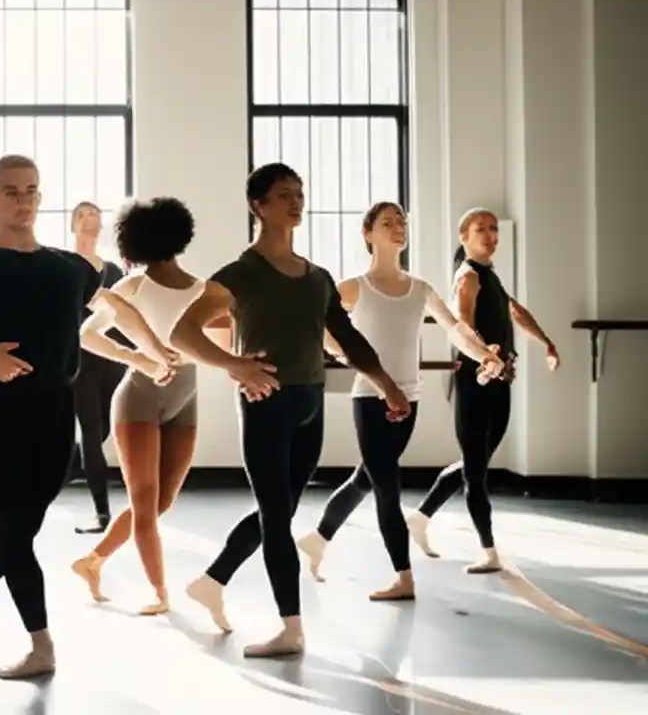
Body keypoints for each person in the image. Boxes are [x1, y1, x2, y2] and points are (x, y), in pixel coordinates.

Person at [0, 155, 178, 679]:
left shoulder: (69, 268)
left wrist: (152, 352)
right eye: (11, 191)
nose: (23, 200)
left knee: (21, 526)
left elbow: (120, 311)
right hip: (5, 411)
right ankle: (40, 645)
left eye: (31, 190)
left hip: (58, 408)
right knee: (18, 530)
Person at [177, 163, 412, 658]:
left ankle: (212, 582)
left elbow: (348, 339)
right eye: (284, 194)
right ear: (257, 205)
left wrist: (387, 385)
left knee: (278, 511)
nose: (296, 202)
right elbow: (183, 331)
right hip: (266, 405)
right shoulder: (241, 273)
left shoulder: (318, 278)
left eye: (299, 194)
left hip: (310, 403)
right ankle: (291, 627)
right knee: (277, 518)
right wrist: (235, 365)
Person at [70, 197, 278, 615]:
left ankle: (92, 561)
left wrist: (242, 365)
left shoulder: (204, 289)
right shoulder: (133, 287)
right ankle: (159, 591)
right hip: (138, 399)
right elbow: (87, 335)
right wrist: (137, 357)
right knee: (145, 503)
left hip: (185, 397)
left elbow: (222, 345)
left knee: (161, 502)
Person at [295, 202, 505, 600]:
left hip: (411, 397)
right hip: (370, 398)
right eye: (387, 222)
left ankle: (318, 539)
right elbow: (317, 324)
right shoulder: (355, 286)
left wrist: (484, 355)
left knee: (367, 477)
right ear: (368, 234)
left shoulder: (419, 288)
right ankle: (403, 577)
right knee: (387, 486)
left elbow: (456, 329)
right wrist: (345, 356)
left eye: (402, 221)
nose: (398, 227)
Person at [406, 207, 560, 574]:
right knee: (476, 474)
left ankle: (420, 518)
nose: (490, 235)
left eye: (493, 228)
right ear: (464, 237)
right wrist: (482, 355)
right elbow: (462, 322)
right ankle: (489, 551)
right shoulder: (468, 276)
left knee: (475, 463)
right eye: (481, 229)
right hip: (476, 383)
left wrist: (546, 342)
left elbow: (515, 312)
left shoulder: (490, 276)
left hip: (499, 382)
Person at [69, 201, 129, 534]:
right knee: (91, 433)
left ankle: (57, 471)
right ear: (73, 224)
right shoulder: (63, 266)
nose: (90, 219)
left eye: (95, 214)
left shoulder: (114, 270)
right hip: (81, 361)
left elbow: (125, 314)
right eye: (83, 215)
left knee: (102, 429)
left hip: (111, 360)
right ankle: (102, 512)